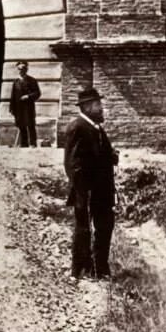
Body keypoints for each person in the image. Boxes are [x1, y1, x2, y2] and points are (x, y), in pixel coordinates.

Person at [63, 85, 118, 280]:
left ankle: (99, 269)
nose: (101, 108)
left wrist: (111, 156)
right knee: (83, 230)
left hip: (101, 191)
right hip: (86, 191)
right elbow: (72, 164)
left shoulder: (97, 128)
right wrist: (82, 190)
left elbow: (97, 155)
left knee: (104, 226)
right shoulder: (77, 128)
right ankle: (79, 271)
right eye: (98, 104)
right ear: (87, 107)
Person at [9, 60, 42, 147]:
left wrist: (28, 96)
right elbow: (12, 96)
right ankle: (24, 144)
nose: (21, 70)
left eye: (23, 68)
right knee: (21, 125)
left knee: (30, 125)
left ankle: (33, 143)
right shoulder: (15, 82)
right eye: (19, 69)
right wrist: (11, 108)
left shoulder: (32, 80)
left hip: (28, 106)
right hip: (18, 107)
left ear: (26, 69)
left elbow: (37, 93)